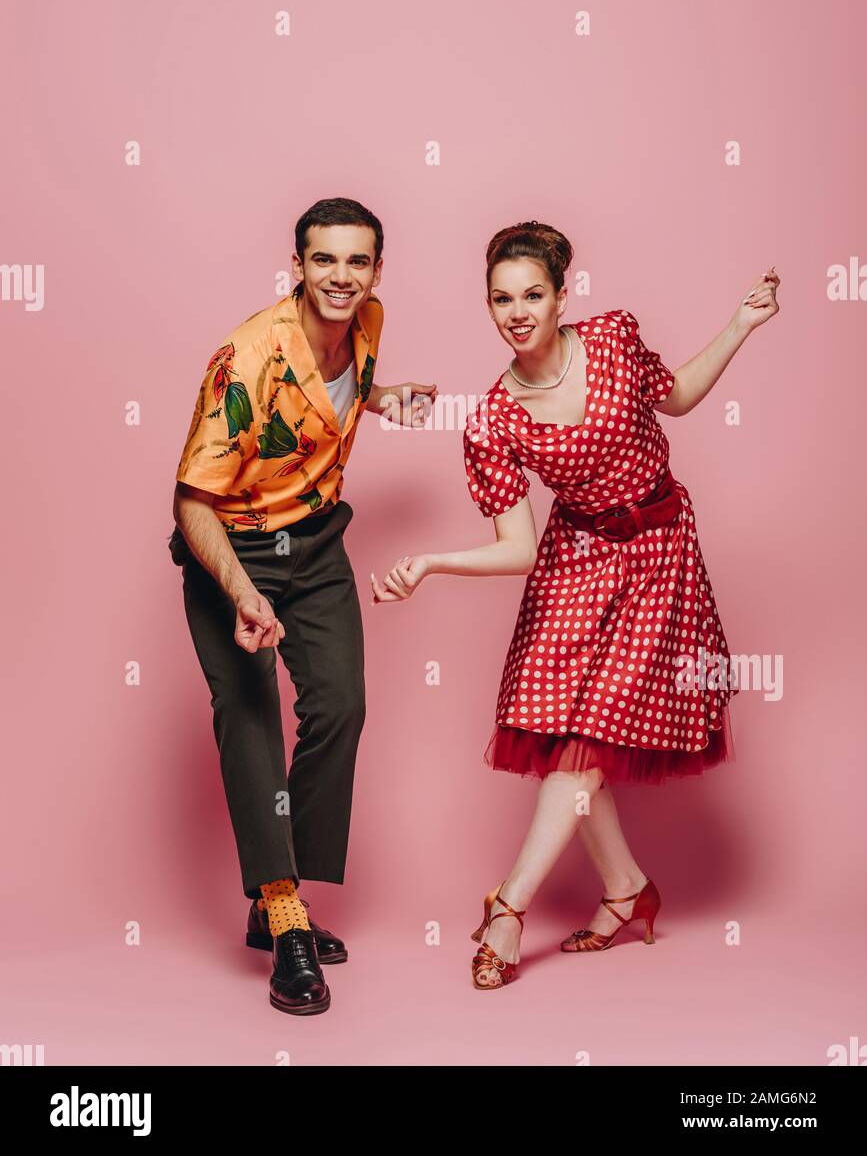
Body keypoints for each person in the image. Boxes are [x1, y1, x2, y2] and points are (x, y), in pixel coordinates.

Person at [371, 221, 779, 990]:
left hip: (658, 555)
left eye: (532, 294)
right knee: (567, 740)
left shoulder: (616, 341)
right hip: (572, 563)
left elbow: (682, 397)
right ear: (486, 306)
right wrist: (430, 562)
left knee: (585, 745)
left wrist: (741, 324)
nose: (516, 311)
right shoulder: (492, 417)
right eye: (500, 298)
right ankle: (626, 892)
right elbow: (518, 547)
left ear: (563, 296)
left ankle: (507, 908)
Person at [167, 196, 435, 1015]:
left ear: (377, 271)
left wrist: (379, 398)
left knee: (341, 706)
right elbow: (190, 500)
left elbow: (328, 400)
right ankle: (283, 919)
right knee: (248, 717)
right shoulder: (246, 357)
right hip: (233, 552)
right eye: (325, 260)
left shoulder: (367, 321)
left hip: (314, 544)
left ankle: (276, 887)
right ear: (297, 264)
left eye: (358, 262)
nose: (341, 277)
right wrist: (241, 591)